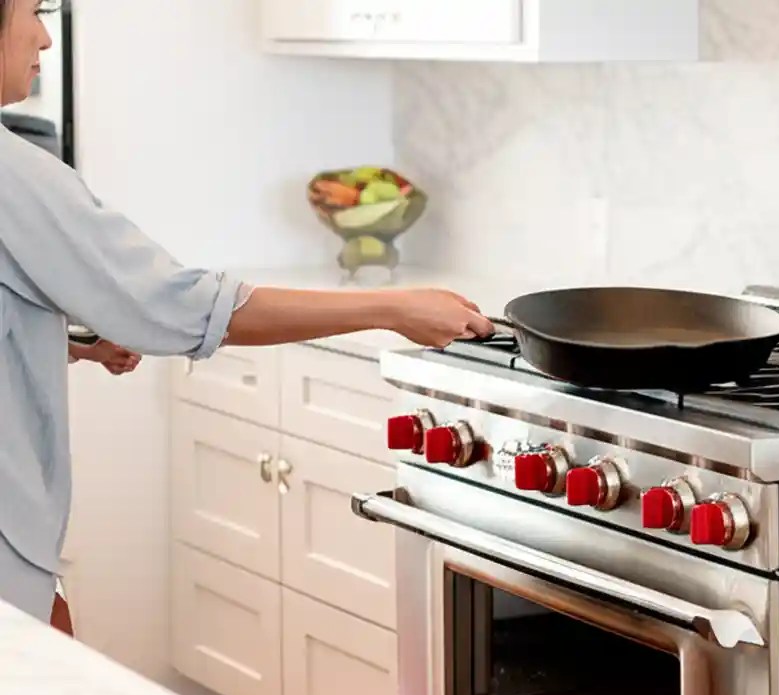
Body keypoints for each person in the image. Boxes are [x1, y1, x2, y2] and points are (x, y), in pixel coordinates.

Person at [0, 0, 493, 626]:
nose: (45, 37)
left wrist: (69, 344)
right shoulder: (14, 174)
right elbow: (180, 307)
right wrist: (391, 307)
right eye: (34, 11)